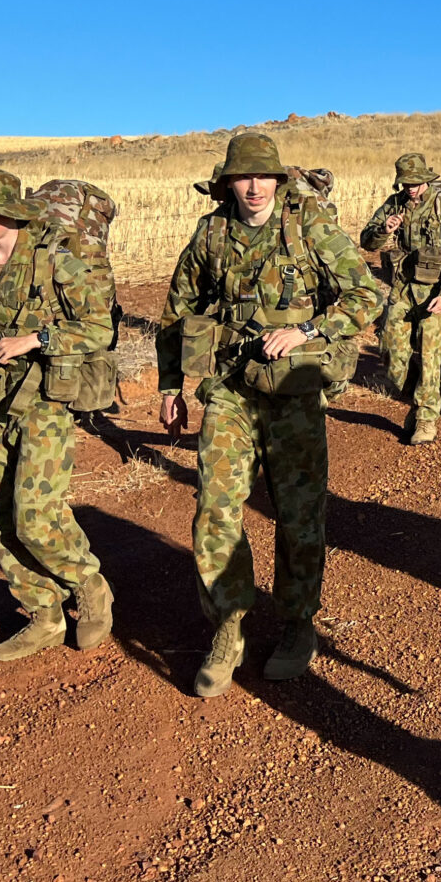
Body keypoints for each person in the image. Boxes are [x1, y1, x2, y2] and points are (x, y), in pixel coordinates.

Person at [157, 133, 384, 695]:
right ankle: (228, 627)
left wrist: (306, 329)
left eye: (264, 177)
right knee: (215, 506)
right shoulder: (212, 232)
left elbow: (364, 295)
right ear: (227, 182)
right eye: (243, 177)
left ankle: (297, 624)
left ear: (278, 182)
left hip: (295, 391)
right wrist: (170, 387)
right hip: (231, 389)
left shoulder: (308, 225)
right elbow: (178, 308)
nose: (254, 188)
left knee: (299, 513)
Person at [0, 169, 118, 662]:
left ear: (13, 212)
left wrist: (36, 340)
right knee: (0, 516)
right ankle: (43, 614)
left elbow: (99, 329)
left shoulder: (56, 261)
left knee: (36, 516)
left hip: (45, 400)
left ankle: (88, 584)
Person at [359, 152, 441, 445]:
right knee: (392, 356)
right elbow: (366, 241)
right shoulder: (394, 205)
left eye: (414, 181)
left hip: (434, 292)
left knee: (430, 357)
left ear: (425, 180)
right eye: (404, 182)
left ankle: (426, 419)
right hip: (403, 290)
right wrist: (384, 230)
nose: (409, 187)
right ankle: (417, 401)